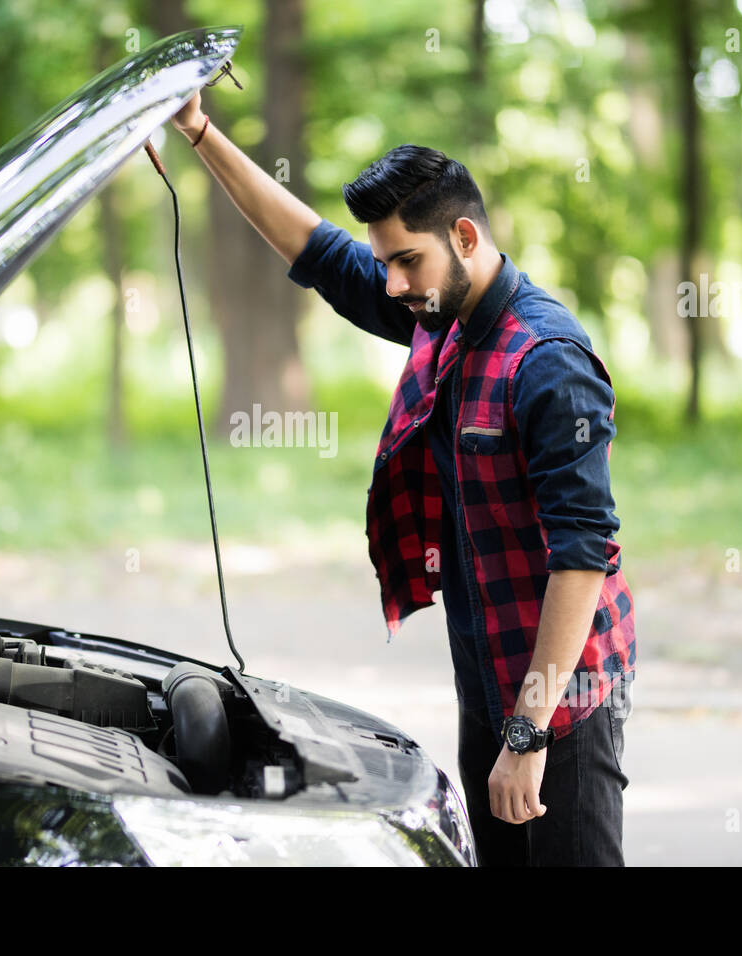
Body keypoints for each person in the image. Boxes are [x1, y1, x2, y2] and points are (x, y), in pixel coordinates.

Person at [169, 91, 637, 867]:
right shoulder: (437, 311)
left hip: (563, 698)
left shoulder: (548, 363)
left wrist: (527, 733)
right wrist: (200, 133)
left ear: (465, 236)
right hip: (487, 674)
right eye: (385, 262)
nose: (390, 283)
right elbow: (315, 250)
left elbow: (583, 558)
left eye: (405, 260)